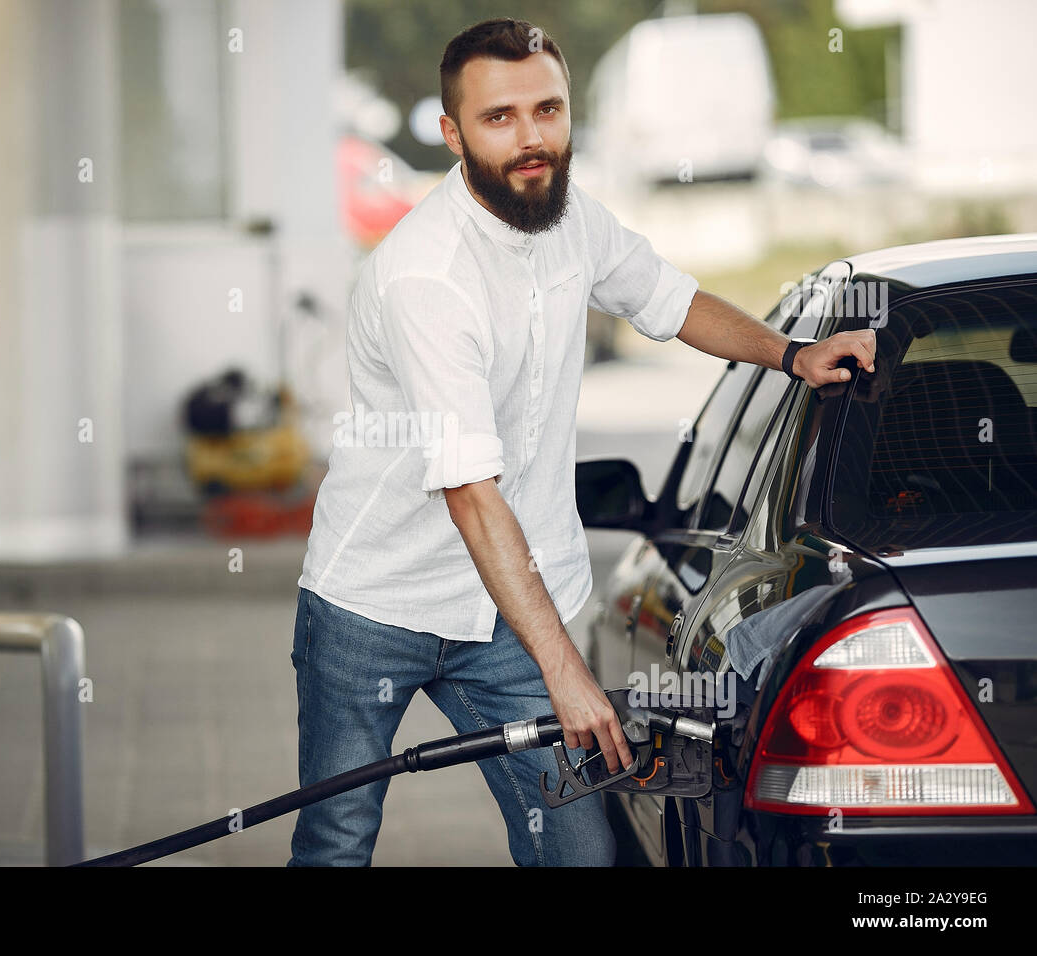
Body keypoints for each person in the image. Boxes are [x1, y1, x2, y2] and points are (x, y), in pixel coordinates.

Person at [289, 17, 876, 866]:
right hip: (375, 603)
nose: (532, 139)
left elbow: (671, 301)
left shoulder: (574, 220)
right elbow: (471, 495)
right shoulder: (426, 275)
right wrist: (566, 669)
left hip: (513, 610)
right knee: (337, 840)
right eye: (499, 118)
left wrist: (790, 354)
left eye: (548, 109)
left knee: (577, 851)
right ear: (452, 133)